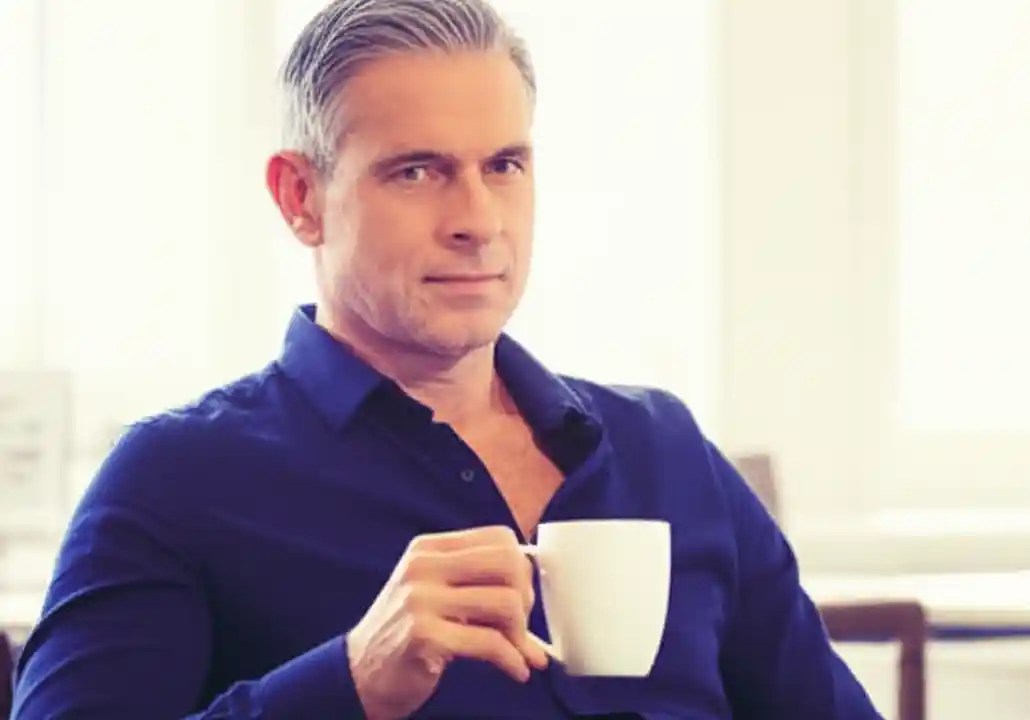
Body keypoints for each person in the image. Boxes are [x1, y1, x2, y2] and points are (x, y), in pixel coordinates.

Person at [12, 0, 881, 717]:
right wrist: (348, 681)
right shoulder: (175, 477)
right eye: (417, 172)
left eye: (504, 164)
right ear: (300, 198)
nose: (478, 220)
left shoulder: (663, 449)